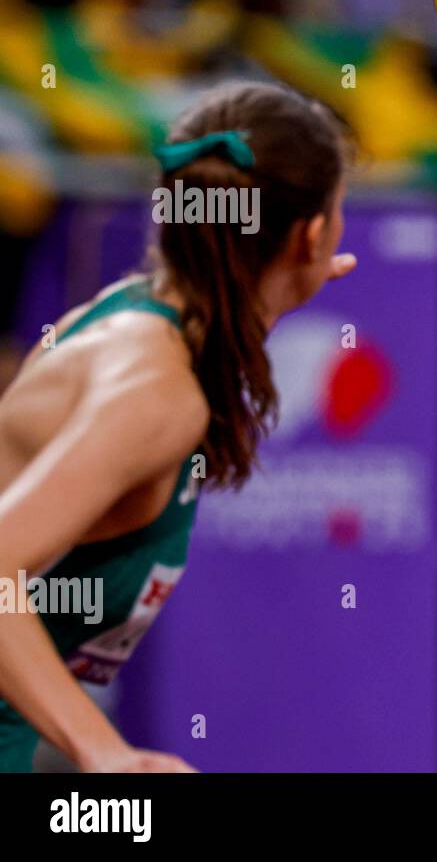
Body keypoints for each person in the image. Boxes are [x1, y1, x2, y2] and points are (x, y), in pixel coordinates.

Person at [0, 81, 356, 772]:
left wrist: (280, 288)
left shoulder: (141, 322)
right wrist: (107, 755)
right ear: (311, 234)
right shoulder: (156, 394)